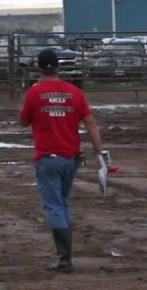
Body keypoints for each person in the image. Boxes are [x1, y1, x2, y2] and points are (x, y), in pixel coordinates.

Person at [19, 48, 104, 273]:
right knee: (63, 202)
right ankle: (65, 253)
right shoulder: (74, 93)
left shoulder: (35, 93)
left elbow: (23, 121)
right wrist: (98, 152)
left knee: (54, 205)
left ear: (39, 68)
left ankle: (64, 257)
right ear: (58, 67)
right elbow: (91, 124)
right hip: (70, 158)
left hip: (47, 158)